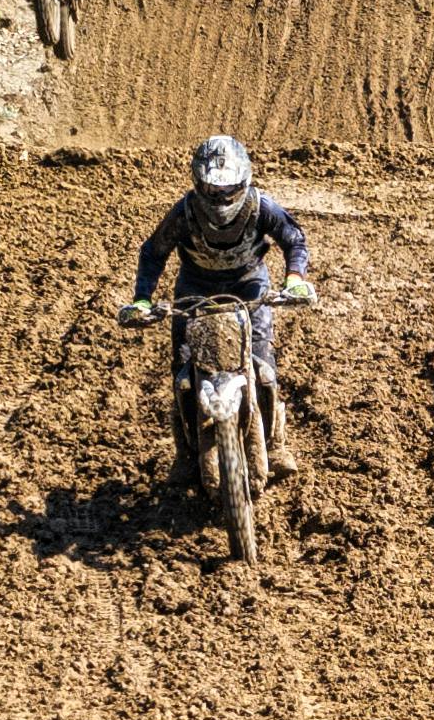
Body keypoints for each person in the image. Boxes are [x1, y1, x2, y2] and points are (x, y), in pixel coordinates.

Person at [120, 136, 317, 480]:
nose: (221, 198)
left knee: (264, 370)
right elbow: (153, 252)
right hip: (195, 289)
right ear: (198, 184)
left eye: (228, 190)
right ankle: (185, 452)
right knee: (184, 374)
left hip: (250, 286)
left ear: (244, 182)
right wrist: (142, 299)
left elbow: (293, 238)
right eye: (212, 190)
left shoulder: (261, 207)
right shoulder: (184, 213)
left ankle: (275, 443)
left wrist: (295, 279)